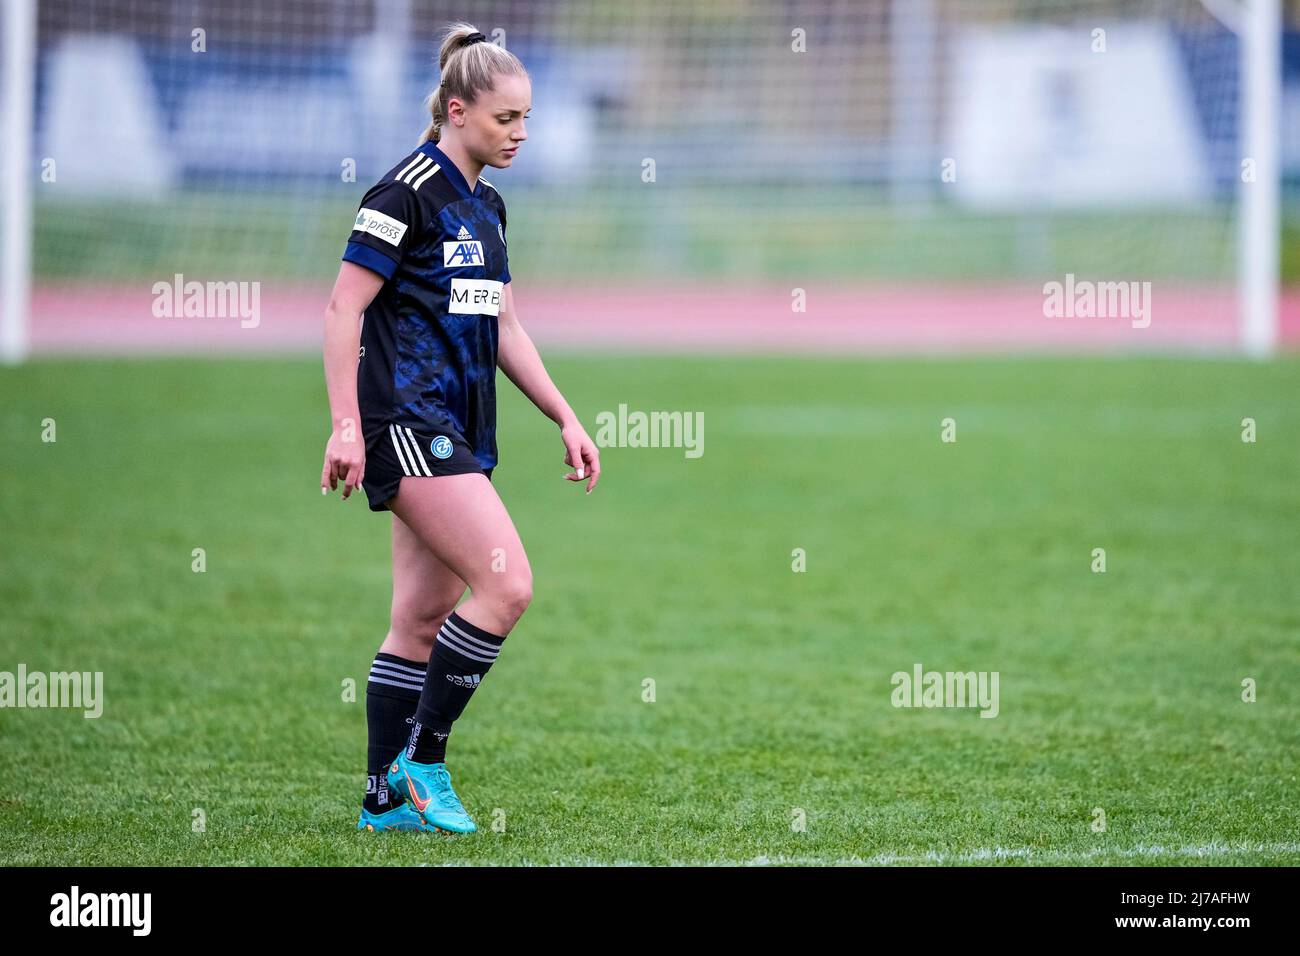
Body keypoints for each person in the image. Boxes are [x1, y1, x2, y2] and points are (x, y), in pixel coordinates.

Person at [320, 22, 601, 834]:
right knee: (508, 585)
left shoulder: (488, 205)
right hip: (408, 424)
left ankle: (383, 802)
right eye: (504, 119)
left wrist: (565, 415)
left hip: (464, 429)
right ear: (455, 110)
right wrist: (346, 426)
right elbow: (344, 308)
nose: (519, 134)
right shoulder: (402, 193)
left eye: (526, 120)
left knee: (420, 615)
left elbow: (505, 325)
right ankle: (423, 762)